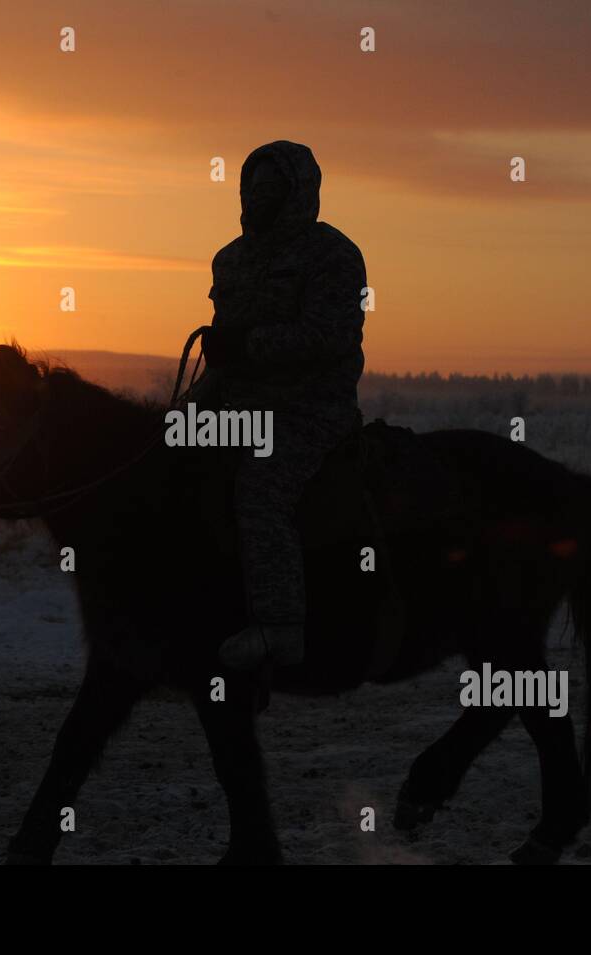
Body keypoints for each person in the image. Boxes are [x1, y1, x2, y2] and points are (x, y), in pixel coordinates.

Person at [196, 140, 367, 670]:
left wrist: (248, 345)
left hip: (309, 412)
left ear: (298, 192)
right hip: (235, 408)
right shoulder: (230, 259)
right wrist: (190, 404)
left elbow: (330, 335)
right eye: (252, 186)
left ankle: (279, 627)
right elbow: (224, 350)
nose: (259, 196)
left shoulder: (333, 255)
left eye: (272, 188)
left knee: (261, 490)